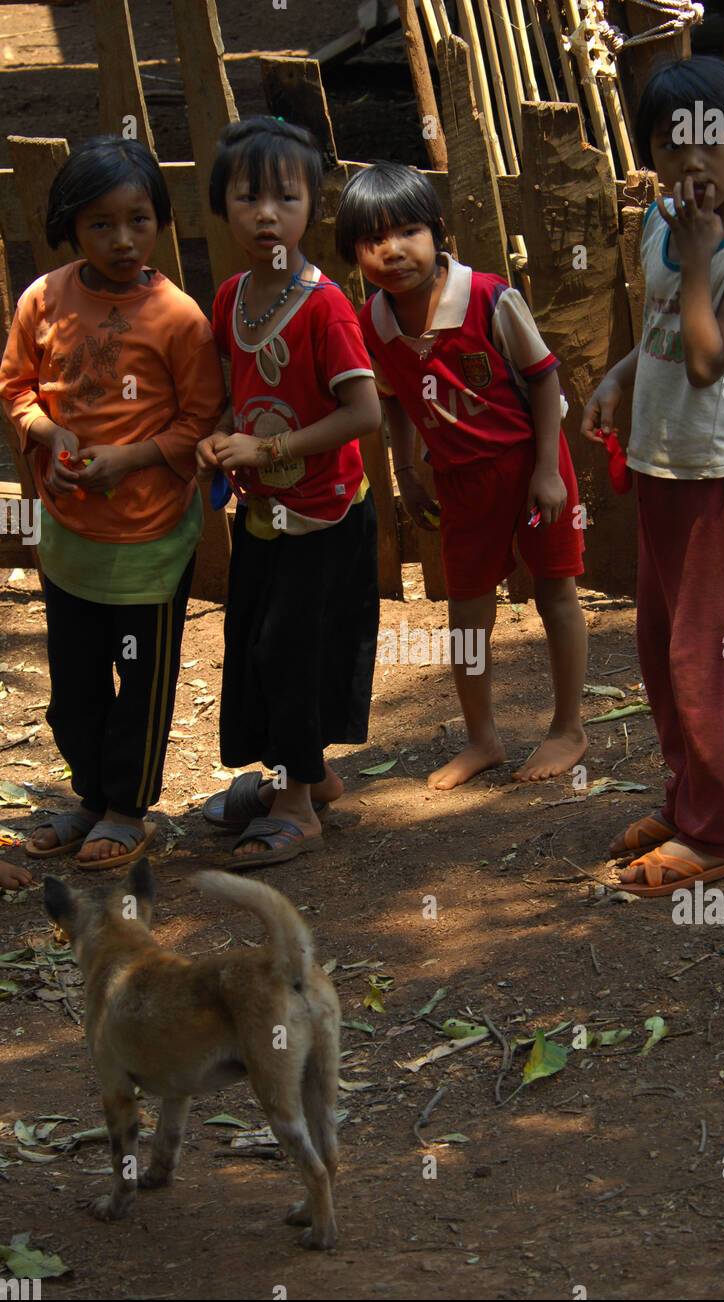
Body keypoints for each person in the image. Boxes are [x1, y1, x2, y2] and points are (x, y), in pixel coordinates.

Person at [581, 56, 724, 897]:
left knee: (709, 657)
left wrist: (701, 259)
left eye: (715, 141)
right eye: (674, 143)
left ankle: (719, 834)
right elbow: (667, 328)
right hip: (659, 466)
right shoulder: (659, 228)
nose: (693, 161)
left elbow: (708, 364)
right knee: (662, 650)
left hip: (712, 476)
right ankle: (686, 799)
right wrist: (619, 377)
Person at [0, 137, 224, 868]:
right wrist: (47, 434)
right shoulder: (43, 299)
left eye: (138, 220)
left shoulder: (179, 318)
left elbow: (200, 421)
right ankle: (89, 797)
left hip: (151, 539)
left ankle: (128, 807)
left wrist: (130, 456)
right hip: (70, 536)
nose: (122, 239)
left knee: (142, 681)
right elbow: (17, 388)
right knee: (74, 684)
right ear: (71, 229)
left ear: (158, 221)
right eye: (101, 225)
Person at [335, 162, 588, 790]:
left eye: (408, 232)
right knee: (467, 609)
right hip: (458, 481)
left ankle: (568, 729)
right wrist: (406, 472)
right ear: (354, 254)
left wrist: (550, 472)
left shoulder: (489, 297)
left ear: (438, 232)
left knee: (555, 591)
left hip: (532, 465)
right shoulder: (375, 321)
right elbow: (392, 400)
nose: (393, 251)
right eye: (373, 240)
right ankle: (483, 738)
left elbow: (544, 375)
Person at [196, 118, 381, 867]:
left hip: (326, 514)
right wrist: (219, 435)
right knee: (255, 646)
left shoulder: (324, 306)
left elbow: (362, 412)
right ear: (223, 205)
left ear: (313, 208)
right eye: (247, 197)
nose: (266, 214)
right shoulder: (232, 297)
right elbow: (236, 394)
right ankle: (299, 775)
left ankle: (297, 806)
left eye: (285, 196)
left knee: (292, 652)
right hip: (263, 512)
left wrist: (266, 446)